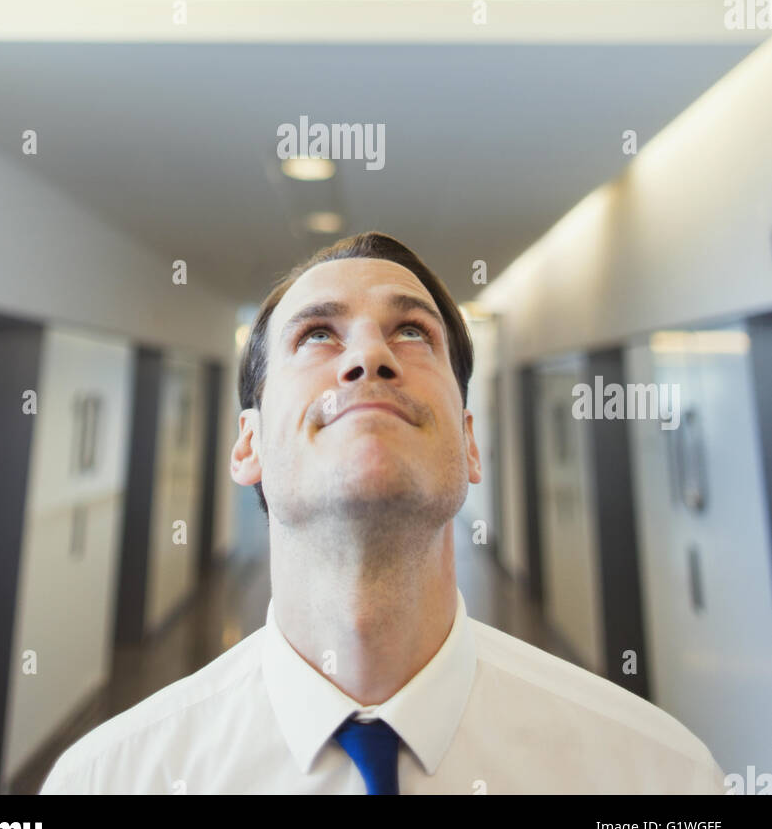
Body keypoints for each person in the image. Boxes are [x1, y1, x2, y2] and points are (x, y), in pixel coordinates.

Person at [40, 231, 724, 794]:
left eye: (410, 332)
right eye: (316, 336)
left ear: (469, 445)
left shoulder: (656, 777)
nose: (368, 355)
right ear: (247, 445)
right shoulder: (109, 782)